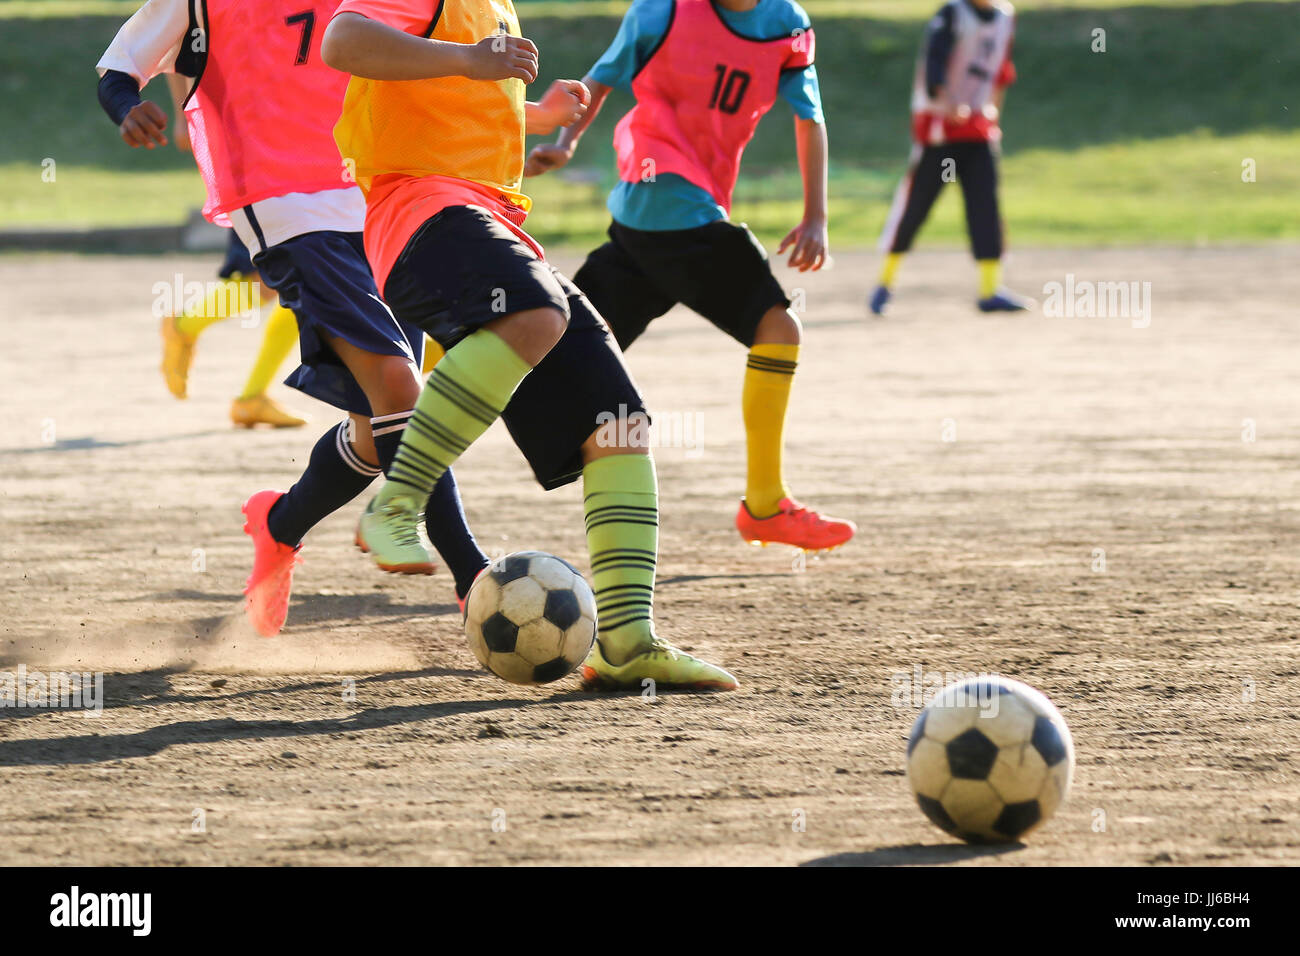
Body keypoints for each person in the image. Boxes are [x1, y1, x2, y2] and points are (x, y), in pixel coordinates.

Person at [322, 0, 738, 690]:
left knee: (619, 424)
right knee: (537, 313)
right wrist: (470, 60)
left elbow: (448, 102)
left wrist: (534, 115)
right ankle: (396, 503)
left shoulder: (495, 6)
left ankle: (629, 643)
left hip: (486, 217)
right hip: (422, 212)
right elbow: (343, 40)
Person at [95, 0, 489, 636]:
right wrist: (127, 108)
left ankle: (279, 525)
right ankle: (474, 578)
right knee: (399, 389)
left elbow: (415, 64)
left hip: (376, 201)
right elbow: (119, 67)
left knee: (374, 429)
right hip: (282, 208)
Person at [526, 0, 856, 553]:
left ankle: (411, 462)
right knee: (778, 328)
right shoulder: (663, 12)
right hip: (671, 201)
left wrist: (817, 215)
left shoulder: (788, 25)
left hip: (650, 222)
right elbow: (600, 80)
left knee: (549, 349)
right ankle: (765, 505)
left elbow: (810, 116)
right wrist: (564, 141)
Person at [158, 74, 310, 428]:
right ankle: (184, 325)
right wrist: (185, 115)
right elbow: (177, 36)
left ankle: (251, 397)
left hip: (307, 137)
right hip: (257, 139)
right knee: (271, 281)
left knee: (304, 282)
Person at [869, 0, 1029, 315]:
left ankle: (989, 290)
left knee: (986, 208)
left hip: (979, 135)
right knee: (915, 208)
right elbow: (934, 63)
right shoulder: (952, 14)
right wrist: (947, 101)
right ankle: (883, 285)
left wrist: (993, 114)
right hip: (940, 137)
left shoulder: (1005, 17)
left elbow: (1001, 72)